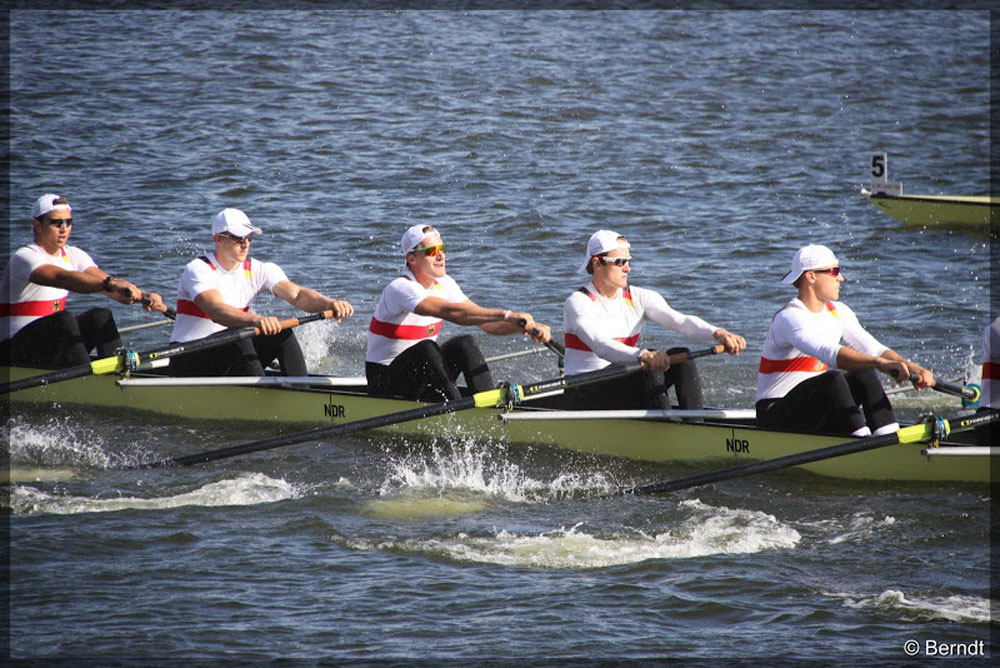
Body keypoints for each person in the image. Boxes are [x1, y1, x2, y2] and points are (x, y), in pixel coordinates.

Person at [755, 243, 934, 437]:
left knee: (864, 373)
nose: (841, 278)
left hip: (812, 410)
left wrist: (913, 368)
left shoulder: (838, 311)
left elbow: (873, 349)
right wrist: (880, 364)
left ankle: (889, 435)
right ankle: (862, 440)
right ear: (811, 276)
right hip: (774, 413)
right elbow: (829, 352)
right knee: (832, 379)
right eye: (834, 271)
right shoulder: (790, 317)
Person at [365, 224, 552, 401]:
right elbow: (452, 312)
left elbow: (484, 322)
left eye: (442, 249)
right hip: (384, 382)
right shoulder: (400, 288)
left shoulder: (445, 283)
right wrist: (507, 315)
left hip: (421, 376)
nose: (440, 256)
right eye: (432, 251)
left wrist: (525, 326)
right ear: (411, 258)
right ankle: (458, 412)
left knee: (464, 343)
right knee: (427, 348)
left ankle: (489, 405)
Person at [562, 230, 746, 411]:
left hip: (619, 385)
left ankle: (695, 420)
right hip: (583, 392)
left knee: (683, 357)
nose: (627, 268)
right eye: (620, 262)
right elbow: (600, 344)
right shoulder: (578, 302)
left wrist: (718, 333)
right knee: (650, 363)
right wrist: (643, 354)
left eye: (628, 261)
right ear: (597, 263)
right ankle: (667, 424)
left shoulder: (640, 297)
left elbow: (682, 323)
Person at [168, 208, 354, 377]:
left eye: (249, 237)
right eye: (238, 238)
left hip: (229, 353)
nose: (245, 244)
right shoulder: (199, 269)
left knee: (281, 332)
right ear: (218, 239)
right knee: (241, 333)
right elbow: (216, 310)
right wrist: (257, 320)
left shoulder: (259, 270)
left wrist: (329, 303)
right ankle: (262, 391)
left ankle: (301, 389)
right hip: (189, 358)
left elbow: (297, 295)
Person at [1, 193, 167, 369]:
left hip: (48, 345)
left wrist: (143, 296)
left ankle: (118, 373)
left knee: (100, 316)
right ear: (37, 224)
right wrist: (110, 285)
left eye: (68, 222)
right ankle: (88, 378)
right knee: (63, 320)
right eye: (56, 223)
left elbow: (108, 285)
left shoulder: (74, 255)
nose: (64, 228)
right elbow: (62, 278)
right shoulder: (25, 257)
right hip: (12, 351)